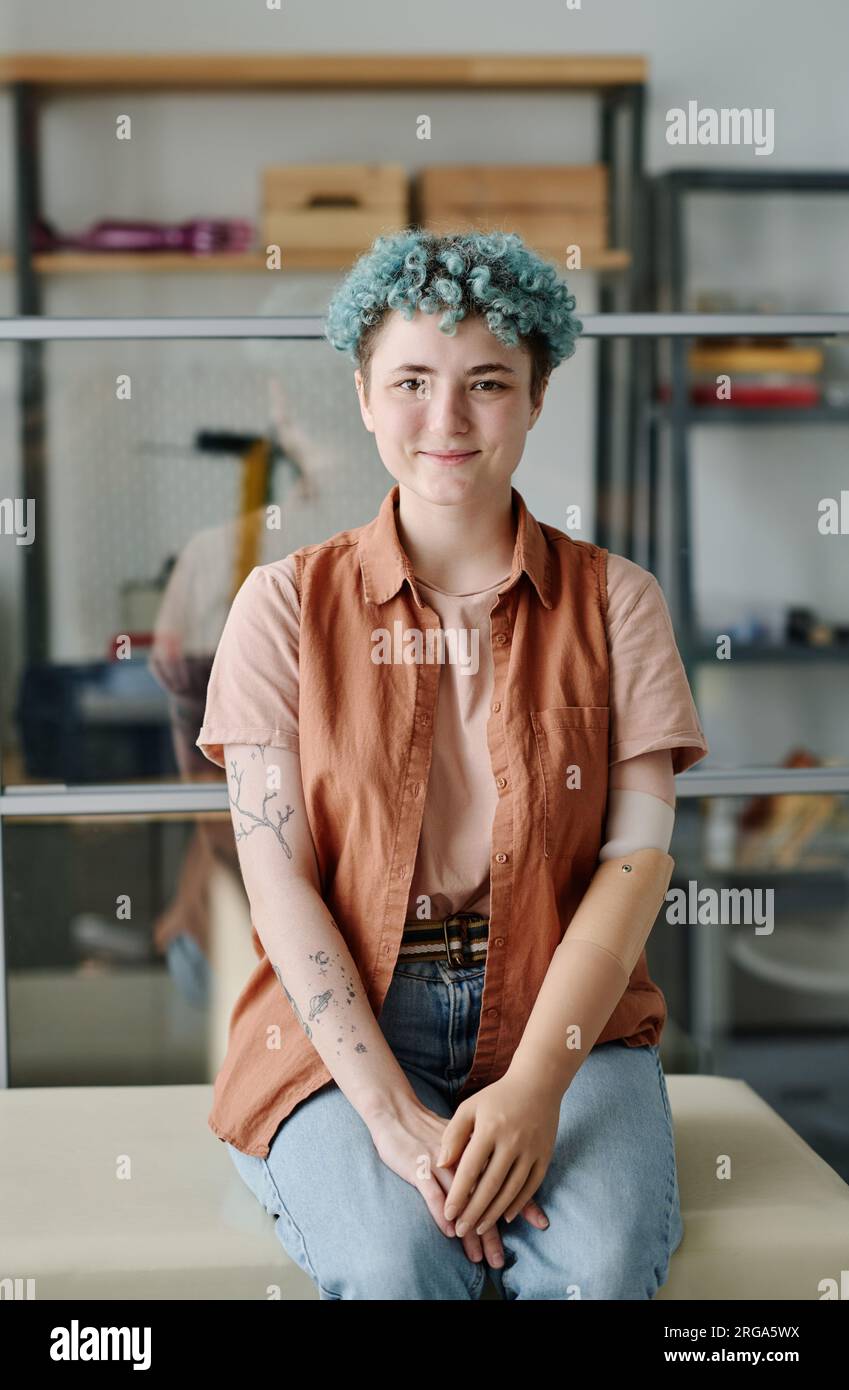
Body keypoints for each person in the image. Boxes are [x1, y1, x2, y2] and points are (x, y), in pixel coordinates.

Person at [195, 228, 709, 1300]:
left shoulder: (620, 603)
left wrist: (533, 1089)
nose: (448, 419)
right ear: (364, 395)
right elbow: (276, 875)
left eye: (488, 382)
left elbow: (635, 862)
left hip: (566, 1018)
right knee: (397, 1264)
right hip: (350, 1029)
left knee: (603, 1269)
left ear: (537, 392)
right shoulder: (281, 607)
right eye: (413, 381)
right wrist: (389, 1117)